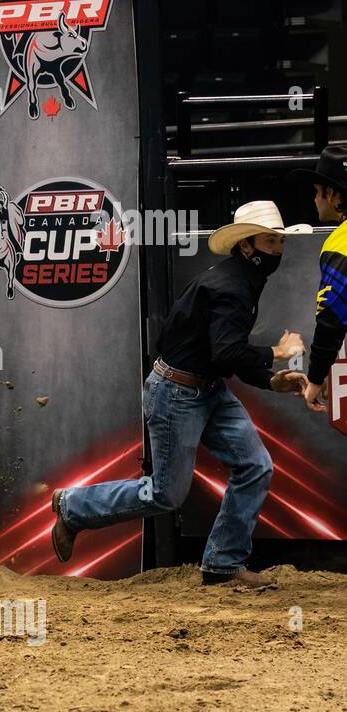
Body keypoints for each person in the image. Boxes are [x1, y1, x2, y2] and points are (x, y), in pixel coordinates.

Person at [50, 202, 311, 587]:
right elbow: (227, 352)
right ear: (247, 246)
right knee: (166, 493)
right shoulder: (233, 286)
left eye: (279, 241)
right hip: (179, 392)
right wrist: (277, 353)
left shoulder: (237, 281)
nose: (277, 249)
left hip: (201, 388)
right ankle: (73, 506)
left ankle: (223, 563)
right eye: (270, 240)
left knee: (255, 466)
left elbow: (223, 352)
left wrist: (271, 380)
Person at [288, 145, 347, 413]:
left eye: (317, 192)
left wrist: (315, 377)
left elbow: (331, 318)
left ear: (333, 194)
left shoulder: (341, 243)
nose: (314, 199)